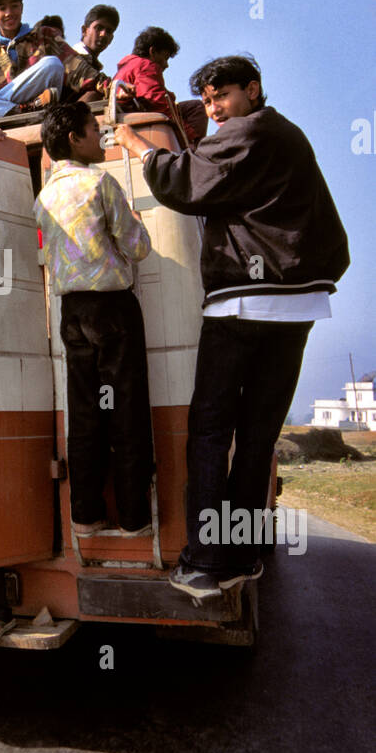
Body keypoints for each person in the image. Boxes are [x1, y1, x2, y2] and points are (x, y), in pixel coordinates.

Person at [114, 54, 350, 598]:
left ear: (253, 88)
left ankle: (204, 562)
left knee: (211, 432)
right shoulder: (286, 135)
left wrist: (139, 148)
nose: (218, 109)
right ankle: (244, 555)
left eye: (223, 95)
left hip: (243, 306)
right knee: (257, 436)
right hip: (297, 308)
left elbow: (183, 180)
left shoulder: (250, 131)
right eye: (211, 99)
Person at [34, 101, 154, 536]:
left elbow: (45, 252)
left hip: (72, 312)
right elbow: (138, 248)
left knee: (84, 413)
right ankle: (134, 516)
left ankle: (85, 515)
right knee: (126, 411)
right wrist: (138, 223)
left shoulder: (44, 196)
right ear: (74, 139)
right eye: (93, 130)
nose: (99, 138)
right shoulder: (100, 182)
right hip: (112, 308)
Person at [114, 27, 205, 144]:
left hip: (131, 113)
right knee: (197, 107)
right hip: (141, 119)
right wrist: (188, 136)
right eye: (165, 58)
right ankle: (196, 149)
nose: (166, 65)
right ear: (152, 51)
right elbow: (156, 102)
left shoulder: (127, 67)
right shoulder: (145, 65)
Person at [67, 4, 119, 100]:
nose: (103, 34)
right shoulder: (70, 58)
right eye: (98, 28)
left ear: (111, 38)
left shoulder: (95, 67)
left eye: (109, 31)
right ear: (84, 30)